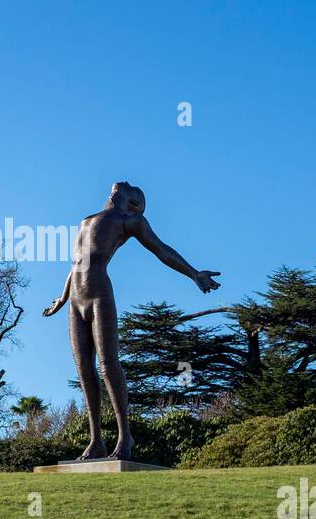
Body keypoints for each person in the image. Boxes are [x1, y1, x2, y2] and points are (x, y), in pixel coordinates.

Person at [43, 181, 220, 461]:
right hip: (76, 299)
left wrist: (194, 273)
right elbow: (77, 263)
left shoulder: (131, 221)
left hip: (99, 293)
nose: (122, 183)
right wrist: (62, 298)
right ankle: (96, 441)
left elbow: (162, 250)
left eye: (130, 187)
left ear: (133, 202)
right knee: (84, 367)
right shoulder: (87, 220)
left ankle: (125, 437)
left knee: (108, 363)